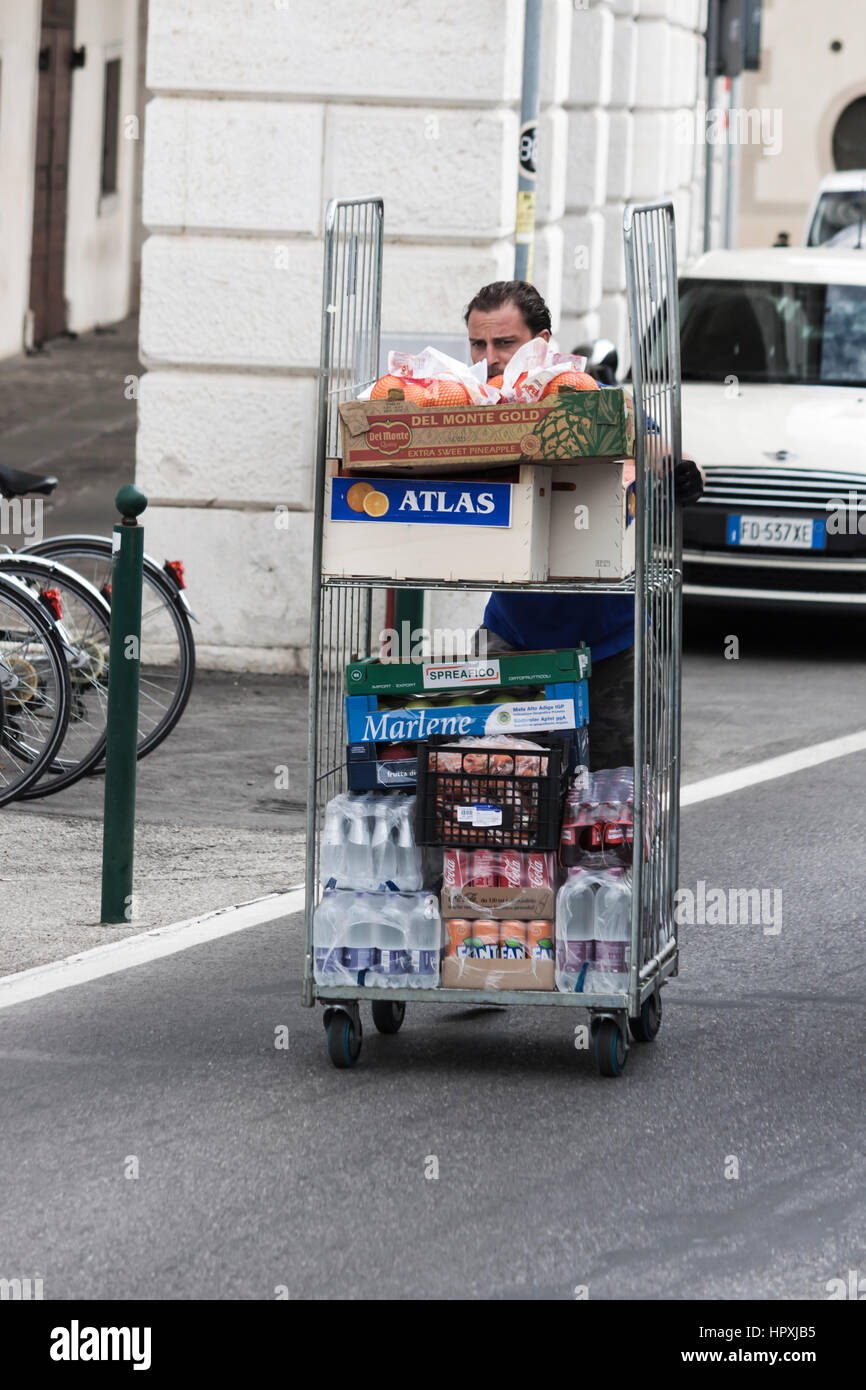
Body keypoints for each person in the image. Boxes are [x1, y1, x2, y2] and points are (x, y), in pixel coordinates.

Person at [464, 279, 702, 770]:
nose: (491, 357)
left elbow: (657, 449)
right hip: (513, 637)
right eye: (479, 344)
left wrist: (681, 472)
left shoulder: (589, 400)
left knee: (621, 797)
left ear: (542, 342)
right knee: (507, 794)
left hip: (611, 644)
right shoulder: (469, 411)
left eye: (505, 343)